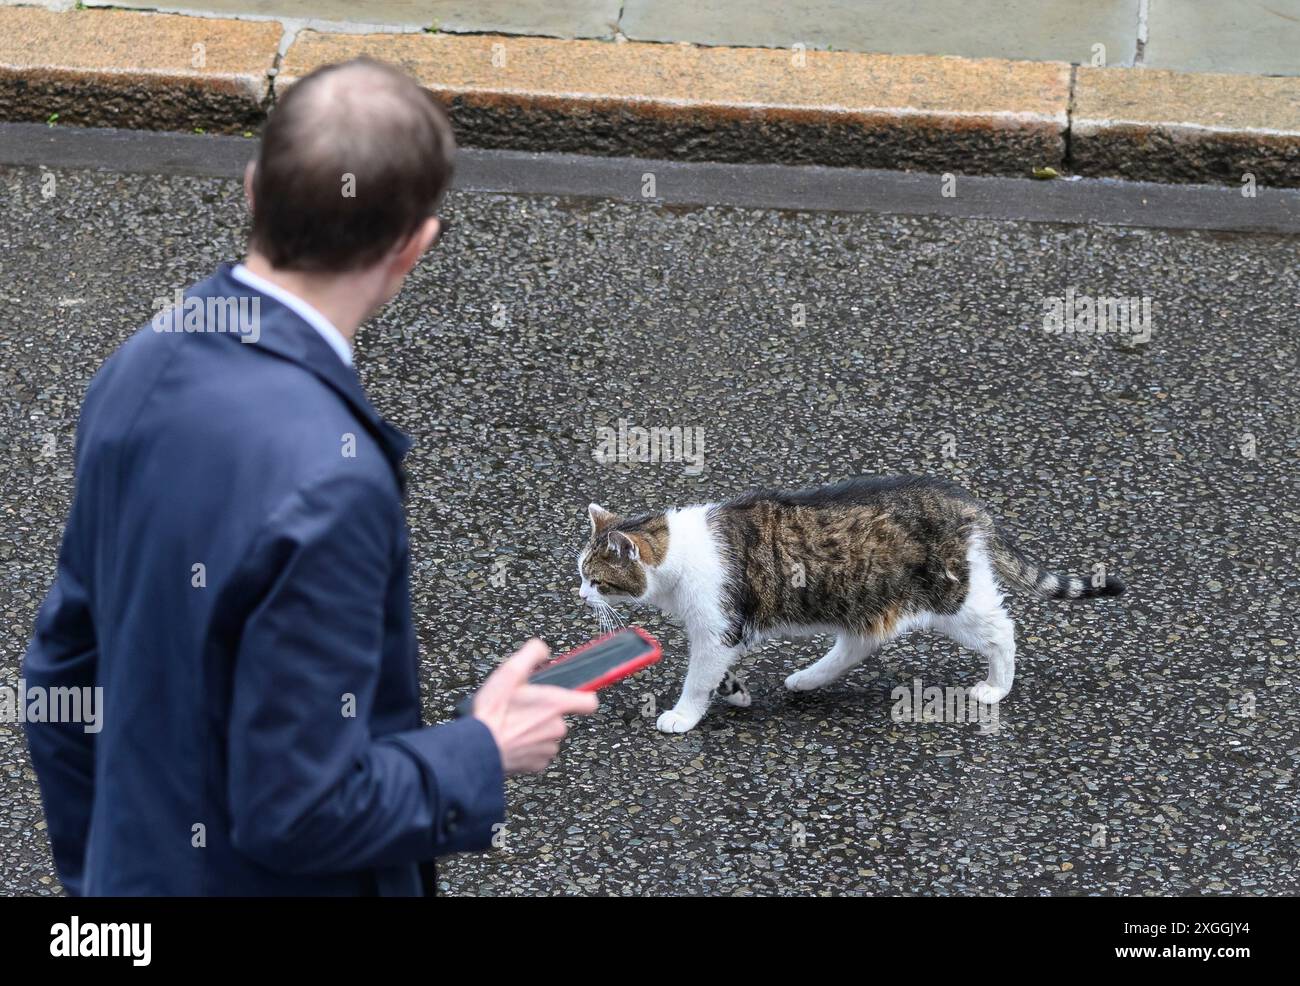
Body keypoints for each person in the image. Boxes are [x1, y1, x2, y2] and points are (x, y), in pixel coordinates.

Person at [22, 57, 596, 896]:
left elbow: (61, 676)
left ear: (255, 188)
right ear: (414, 245)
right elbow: (300, 808)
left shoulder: (139, 364)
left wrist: (102, 883)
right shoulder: (334, 484)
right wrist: (480, 751)